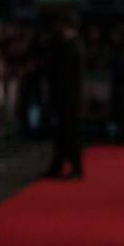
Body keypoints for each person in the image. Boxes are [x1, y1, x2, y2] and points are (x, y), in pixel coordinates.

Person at [44, 11, 84, 179]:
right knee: (62, 132)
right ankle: (58, 166)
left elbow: (69, 75)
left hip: (68, 96)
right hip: (65, 95)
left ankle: (76, 167)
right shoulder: (69, 43)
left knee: (69, 132)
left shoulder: (72, 44)